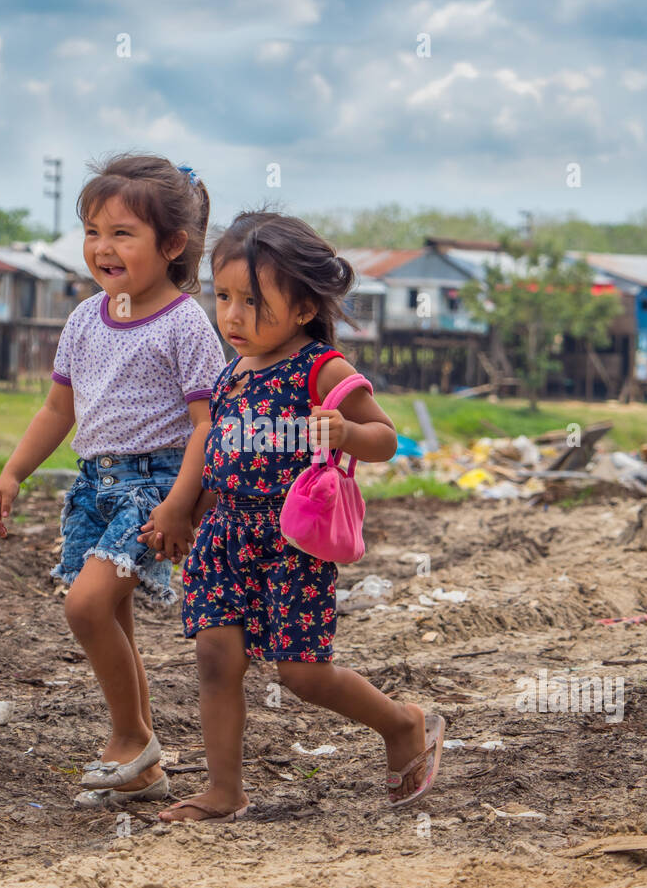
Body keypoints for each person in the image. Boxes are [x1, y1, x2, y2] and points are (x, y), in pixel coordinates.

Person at [143, 211, 444, 823]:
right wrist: (181, 511)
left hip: (292, 543)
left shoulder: (320, 369)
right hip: (225, 538)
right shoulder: (229, 377)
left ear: (304, 308)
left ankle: (402, 723)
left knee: (304, 674)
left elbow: (387, 439)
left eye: (252, 302)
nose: (232, 316)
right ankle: (224, 791)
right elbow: (218, 457)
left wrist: (346, 432)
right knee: (216, 658)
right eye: (223, 297)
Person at [0, 154, 224, 810]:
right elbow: (57, 408)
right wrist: (13, 471)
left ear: (171, 245)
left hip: (155, 488)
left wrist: (183, 507)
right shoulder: (85, 318)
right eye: (93, 231)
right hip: (94, 487)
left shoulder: (185, 324)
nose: (102, 247)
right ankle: (143, 767)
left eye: (122, 233)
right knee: (111, 616)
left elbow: (208, 425)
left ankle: (129, 737)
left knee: (86, 607)